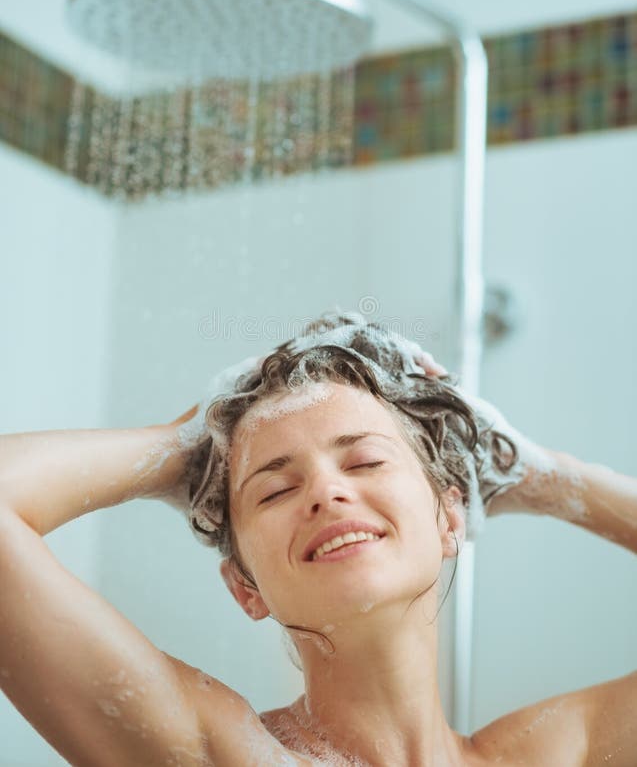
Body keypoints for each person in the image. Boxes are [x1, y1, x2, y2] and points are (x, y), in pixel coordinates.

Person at [0, 312, 635, 767]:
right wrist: (177, 445)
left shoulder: (568, 750)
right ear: (245, 587)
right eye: (274, 491)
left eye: (364, 463)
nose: (325, 494)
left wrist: (537, 474)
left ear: (449, 519)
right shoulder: (210, 752)